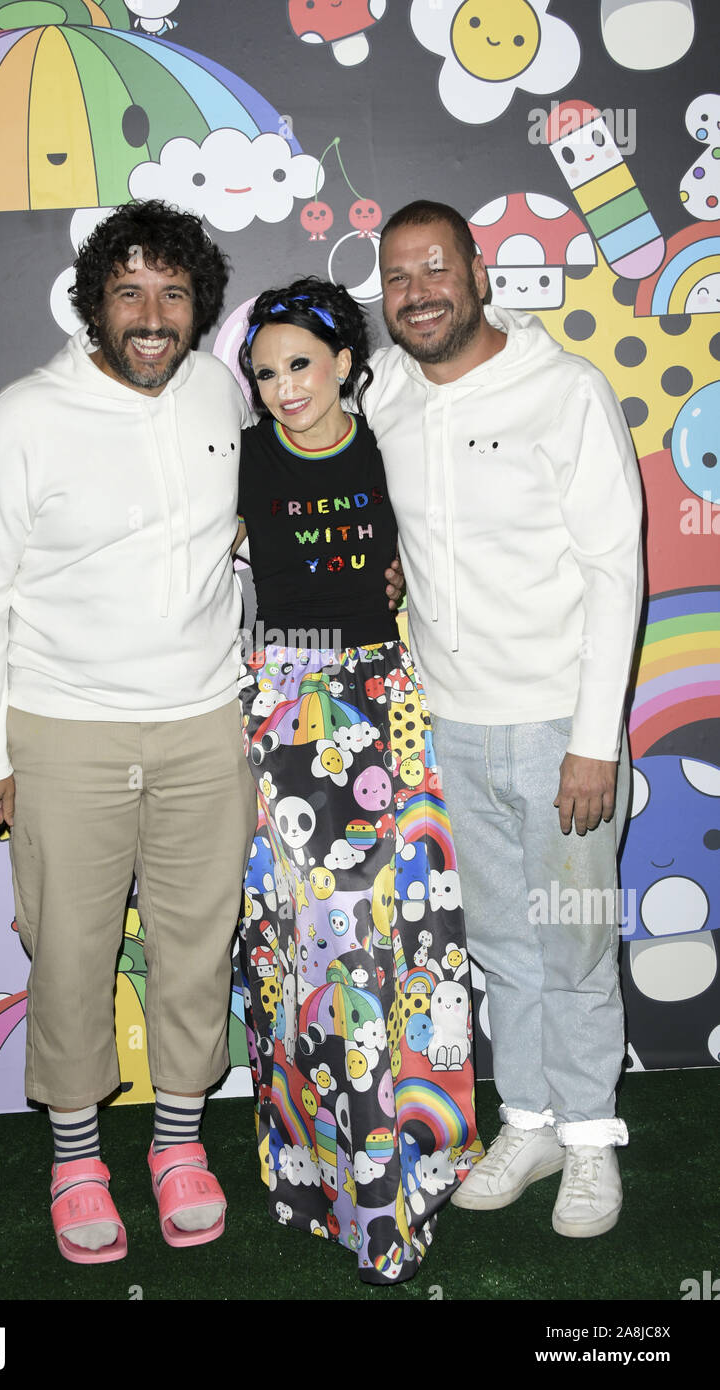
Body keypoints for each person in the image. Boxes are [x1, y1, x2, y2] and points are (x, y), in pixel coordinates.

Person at [0, 200, 263, 1262]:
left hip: (202, 727)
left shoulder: (223, 390)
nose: (151, 314)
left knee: (193, 949)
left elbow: (260, 518)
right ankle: (76, 1159)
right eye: (128, 290)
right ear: (94, 302)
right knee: (71, 955)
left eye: (172, 293)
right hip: (63, 731)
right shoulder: (27, 416)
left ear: (196, 307)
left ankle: (179, 1144)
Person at [363, 200, 643, 1238]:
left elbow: (613, 569)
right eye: (397, 277)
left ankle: (588, 1140)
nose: (417, 290)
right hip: (445, 724)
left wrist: (588, 737)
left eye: (435, 268)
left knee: (569, 941)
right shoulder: (384, 391)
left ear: (479, 276)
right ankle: (524, 1122)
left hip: (552, 727)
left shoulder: (561, 390)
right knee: (497, 946)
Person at [234, 277, 481, 1284]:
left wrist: (410, 583)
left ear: (342, 360)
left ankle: (416, 1166)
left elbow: (454, 545)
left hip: (391, 699)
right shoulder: (237, 458)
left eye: (299, 363)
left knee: (402, 948)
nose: (284, 387)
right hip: (284, 707)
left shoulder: (397, 443)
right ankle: (314, 1174)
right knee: (305, 957)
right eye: (263, 373)